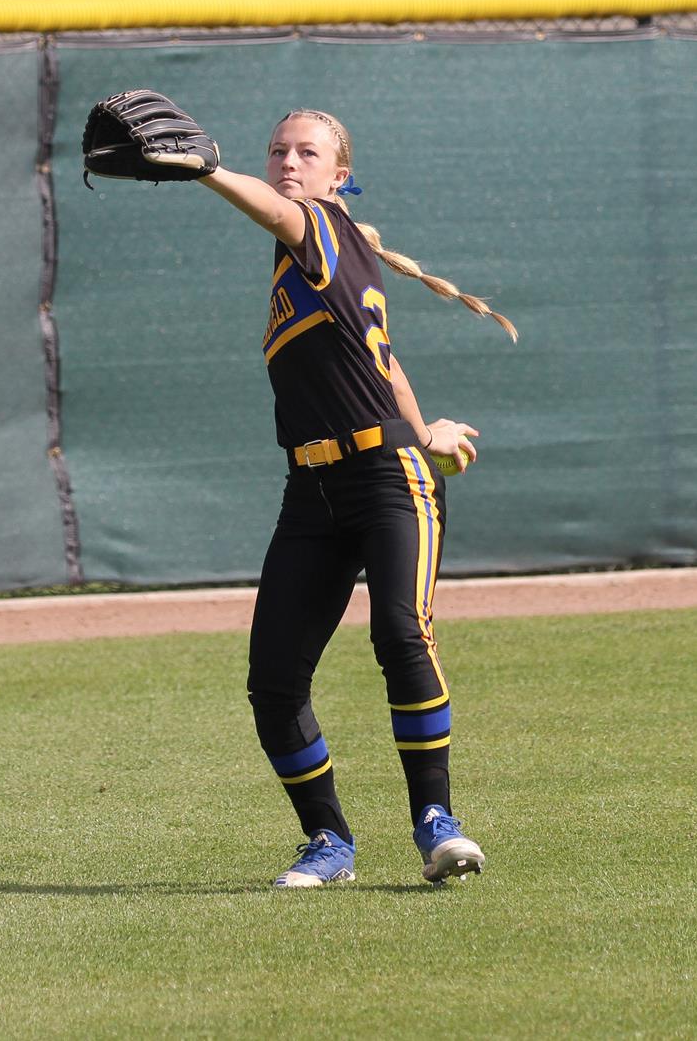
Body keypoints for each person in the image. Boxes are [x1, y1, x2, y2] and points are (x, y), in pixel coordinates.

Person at [195, 108, 517, 887]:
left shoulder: (317, 225)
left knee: (401, 634)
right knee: (274, 680)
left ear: (340, 175)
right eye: (277, 150)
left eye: (307, 152)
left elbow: (277, 211)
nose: (287, 162)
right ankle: (328, 841)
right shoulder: (324, 253)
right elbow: (385, 362)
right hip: (311, 490)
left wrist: (204, 170)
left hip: (387, 479)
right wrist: (428, 426)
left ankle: (438, 821)